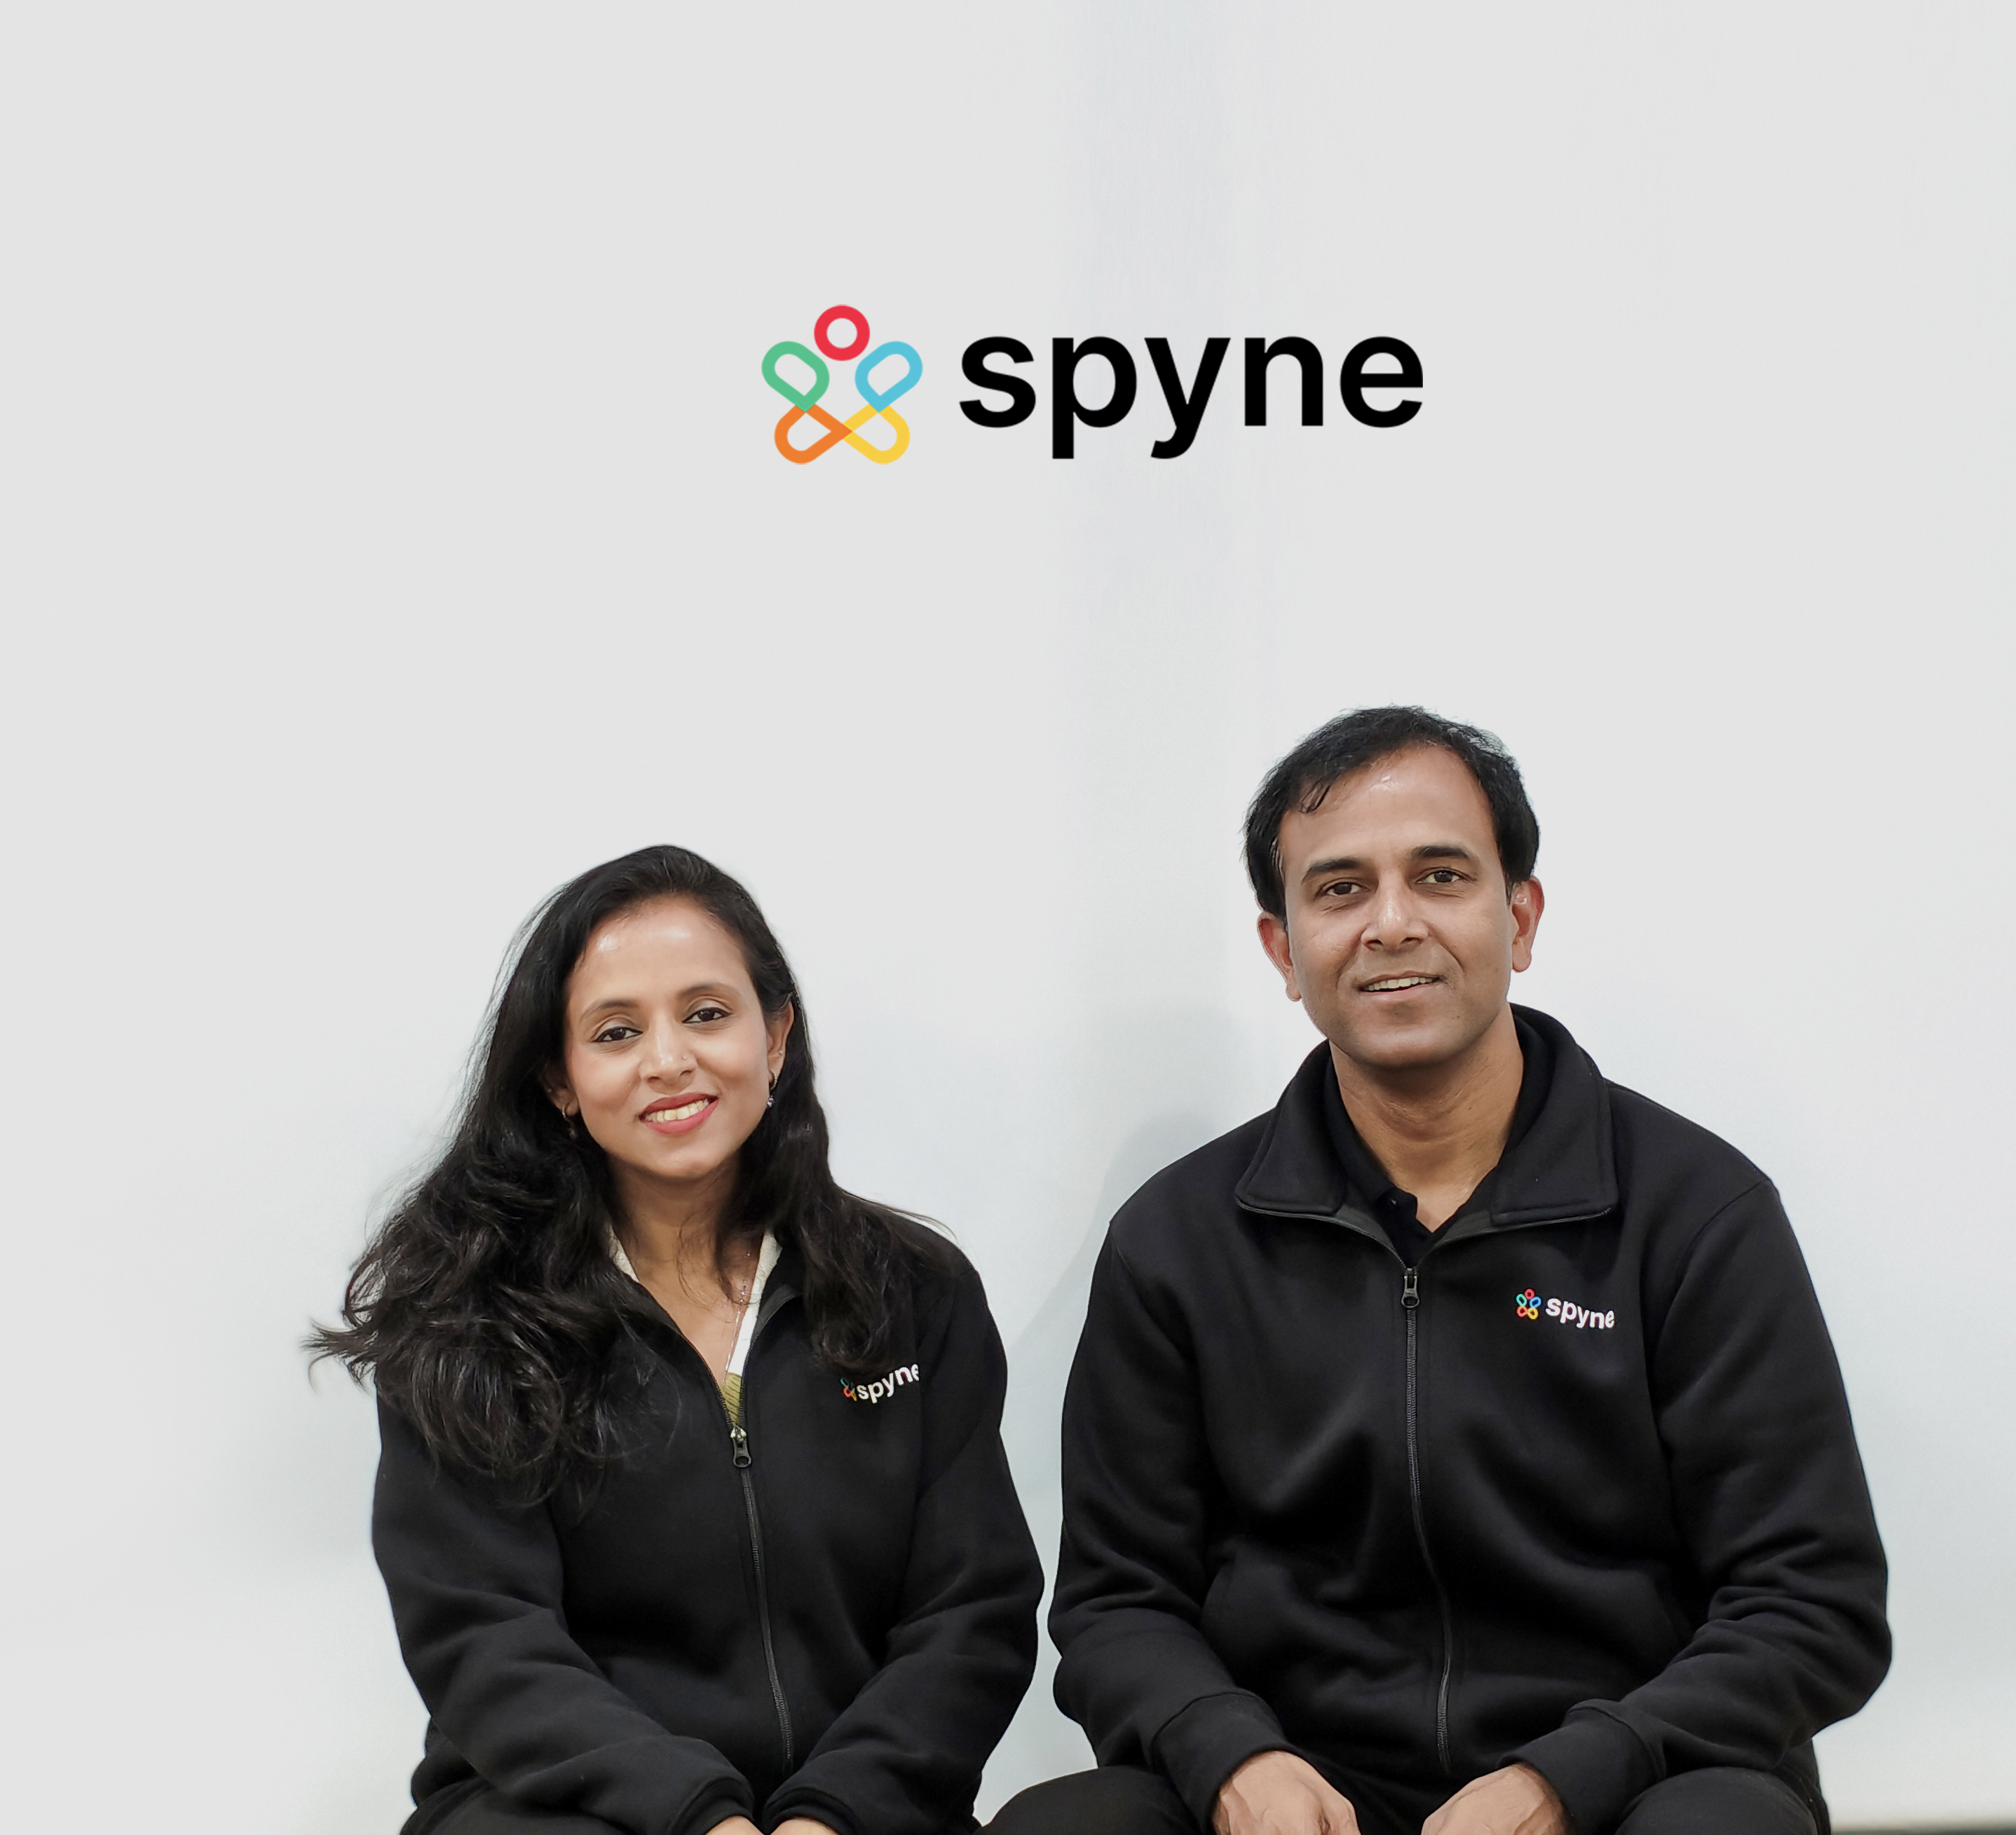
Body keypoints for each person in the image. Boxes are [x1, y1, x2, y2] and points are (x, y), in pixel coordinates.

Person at [993, 709, 1889, 1835]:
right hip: (1302, 1796)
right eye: (1339, 889)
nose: (1391, 923)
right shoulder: (1176, 1239)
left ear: (1519, 917)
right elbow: (1119, 1601)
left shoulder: (1696, 1213)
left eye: (1439, 875)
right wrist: (1230, 1758)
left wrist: (1573, 1774)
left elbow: (1810, 1601)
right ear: (1282, 950)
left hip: (1625, 1785)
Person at [313, 845, 1042, 1835]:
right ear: (559, 1078)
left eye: (706, 1013)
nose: (668, 1059)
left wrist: (833, 1814)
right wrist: (700, 1818)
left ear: (774, 1036)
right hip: (571, 1814)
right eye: (616, 1032)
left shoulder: (912, 1290)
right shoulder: (467, 1318)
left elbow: (971, 1611)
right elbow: (485, 1637)